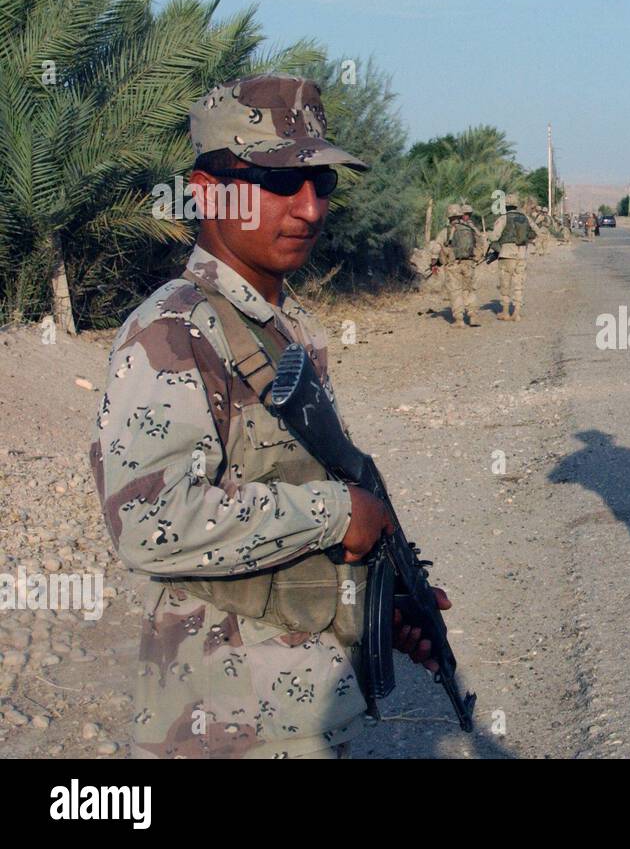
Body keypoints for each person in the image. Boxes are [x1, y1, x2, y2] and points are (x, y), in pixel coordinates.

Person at [90, 75, 449, 758]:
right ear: (206, 188)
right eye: (280, 181)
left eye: (322, 184)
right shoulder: (174, 331)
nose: (310, 208)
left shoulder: (292, 330)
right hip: (223, 727)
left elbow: (281, 500)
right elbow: (147, 524)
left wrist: (380, 599)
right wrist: (337, 512)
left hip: (307, 713)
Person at [429, 203, 487, 327]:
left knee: (455, 292)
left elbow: (436, 248)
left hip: (453, 265)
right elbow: (480, 242)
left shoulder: (447, 230)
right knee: (469, 290)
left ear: (449, 217)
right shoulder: (469, 228)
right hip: (469, 264)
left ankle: (459, 320)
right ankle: (472, 316)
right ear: (461, 214)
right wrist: (476, 258)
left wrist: (433, 263)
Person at [487, 194, 534, 320]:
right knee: (518, 285)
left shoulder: (503, 218)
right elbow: (535, 233)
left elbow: (494, 237)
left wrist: (488, 237)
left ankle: (506, 312)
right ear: (516, 204)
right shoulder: (525, 218)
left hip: (507, 255)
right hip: (521, 254)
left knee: (505, 285)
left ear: (506, 206)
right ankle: (517, 313)